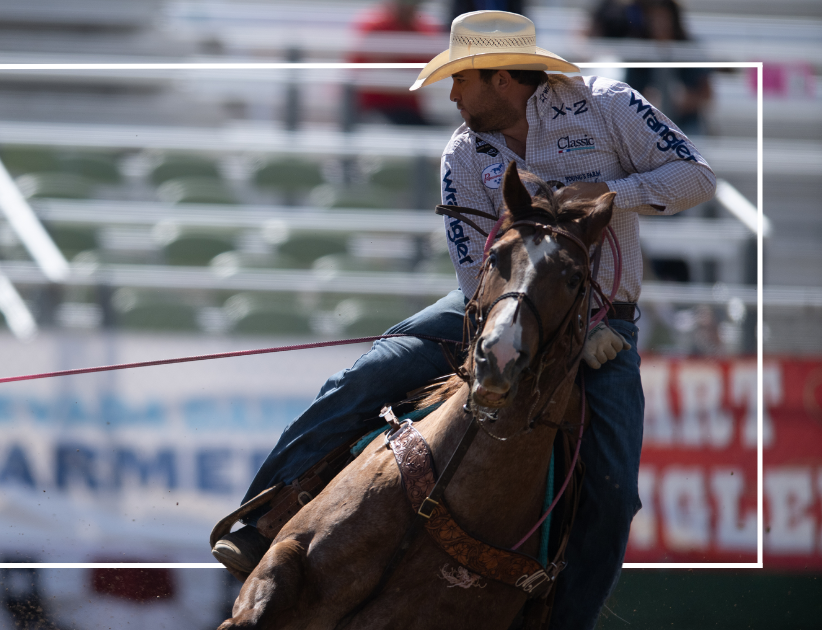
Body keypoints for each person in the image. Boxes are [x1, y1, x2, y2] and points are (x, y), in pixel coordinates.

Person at [212, 10, 715, 630]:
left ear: (501, 78)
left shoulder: (606, 103)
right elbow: (471, 272)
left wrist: (607, 195)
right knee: (370, 373)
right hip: (489, 306)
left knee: (613, 495)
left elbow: (696, 178)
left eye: (460, 80)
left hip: (606, 318)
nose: (450, 94)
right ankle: (263, 517)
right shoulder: (462, 151)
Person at [590, 0, 711, 134]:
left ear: (673, 18)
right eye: (654, 18)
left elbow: (707, 94)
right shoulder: (636, 49)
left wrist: (687, 99)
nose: (659, 24)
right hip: (646, 123)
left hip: (686, 122)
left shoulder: (689, 48)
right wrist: (645, 102)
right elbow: (627, 96)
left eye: (663, 18)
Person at [346, 0, 442, 125]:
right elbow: (383, 78)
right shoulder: (375, 25)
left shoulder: (425, 29)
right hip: (374, 109)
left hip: (410, 110)